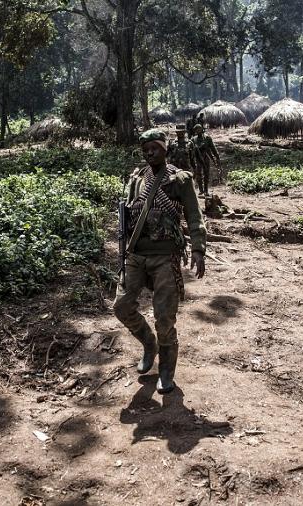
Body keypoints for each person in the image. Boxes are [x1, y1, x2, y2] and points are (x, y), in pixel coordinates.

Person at [114, 129, 206, 394]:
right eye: (145, 149)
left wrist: (198, 248)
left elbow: (194, 215)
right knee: (121, 306)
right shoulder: (136, 178)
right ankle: (148, 343)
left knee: (164, 317)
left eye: (154, 148)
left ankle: (166, 369)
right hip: (135, 255)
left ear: (165, 149)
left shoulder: (179, 179)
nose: (149, 153)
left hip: (165, 257)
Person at [190, 124, 219, 196]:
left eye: (199, 129)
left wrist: (216, 156)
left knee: (206, 174)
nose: (198, 131)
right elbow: (191, 150)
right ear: (195, 131)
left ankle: (206, 190)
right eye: (196, 129)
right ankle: (201, 190)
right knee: (198, 174)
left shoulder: (207, 138)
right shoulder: (193, 139)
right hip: (197, 159)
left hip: (206, 158)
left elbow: (213, 148)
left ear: (202, 129)